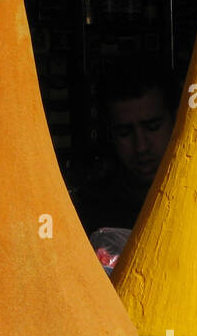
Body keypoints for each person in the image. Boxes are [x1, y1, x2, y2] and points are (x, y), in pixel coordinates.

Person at [73, 60, 176, 267]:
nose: (141, 146)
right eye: (125, 132)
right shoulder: (88, 212)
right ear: (109, 134)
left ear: (177, 121)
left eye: (152, 127)